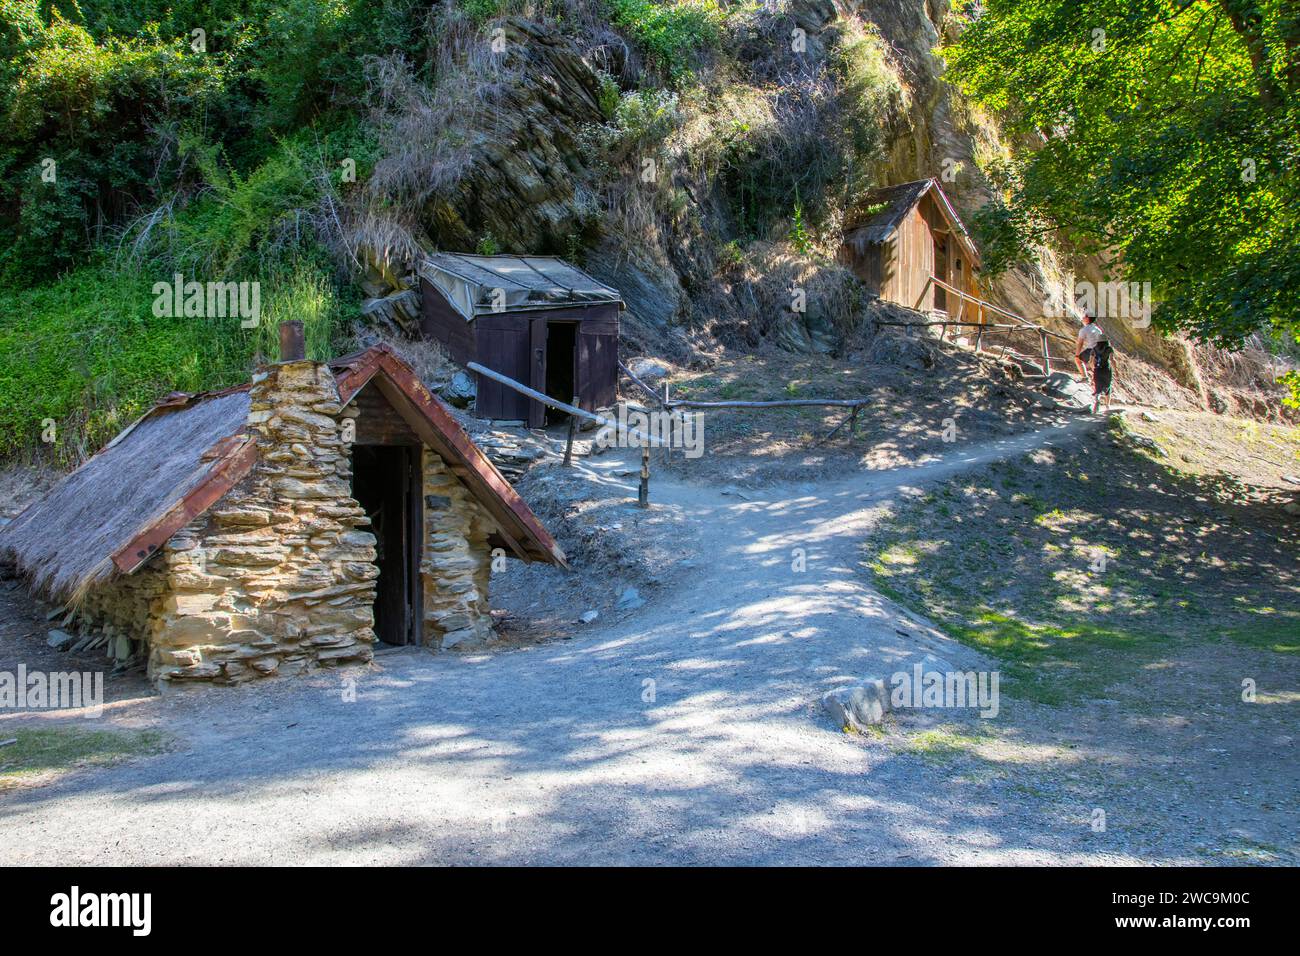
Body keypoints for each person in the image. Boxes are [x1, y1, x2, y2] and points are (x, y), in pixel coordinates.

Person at [1074, 311, 1113, 415]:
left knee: (1078, 360)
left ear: (1087, 318)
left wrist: (1077, 354)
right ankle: (1106, 405)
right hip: (1102, 354)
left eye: (1084, 317)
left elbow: (1080, 343)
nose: (1082, 318)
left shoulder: (1084, 329)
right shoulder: (1097, 329)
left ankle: (1084, 376)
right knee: (1103, 379)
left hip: (1092, 351)